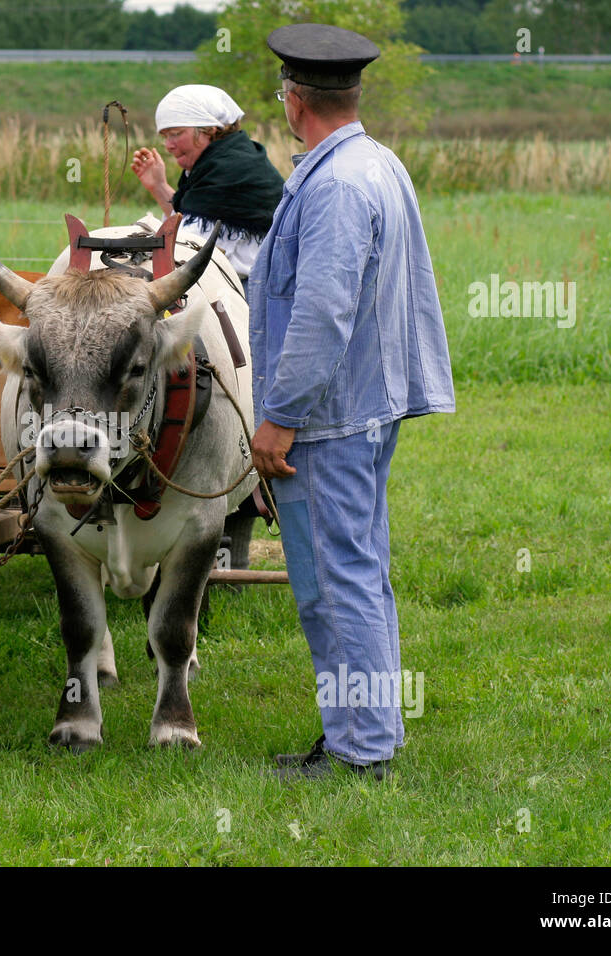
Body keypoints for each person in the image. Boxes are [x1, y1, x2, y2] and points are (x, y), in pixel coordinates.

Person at [247, 23, 456, 781]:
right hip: (364, 406)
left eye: (282, 93)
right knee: (359, 574)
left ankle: (359, 751)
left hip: (328, 419)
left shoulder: (335, 183)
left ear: (295, 100)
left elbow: (323, 311)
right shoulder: (375, 161)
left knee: (335, 586)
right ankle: (372, 734)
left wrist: (278, 419)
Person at [130, 84, 285, 287]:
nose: (168, 145)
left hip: (249, 296)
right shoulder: (215, 166)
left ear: (209, 130)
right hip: (221, 285)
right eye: (165, 136)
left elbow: (188, 248)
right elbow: (194, 220)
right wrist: (158, 186)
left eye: (175, 133)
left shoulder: (235, 170)